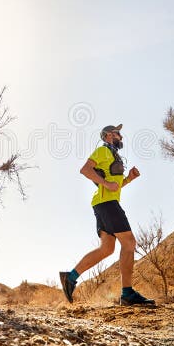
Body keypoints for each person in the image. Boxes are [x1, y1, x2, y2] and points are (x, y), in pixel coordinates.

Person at [59, 124, 155, 306]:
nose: (122, 137)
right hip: (107, 204)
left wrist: (129, 179)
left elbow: (114, 187)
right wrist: (105, 183)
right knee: (129, 243)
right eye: (119, 133)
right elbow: (85, 170)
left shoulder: (112, 154)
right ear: (109, 135)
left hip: (104, 203)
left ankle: (70, 277)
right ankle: (127, 294)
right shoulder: (103, 150)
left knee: (107, 249)